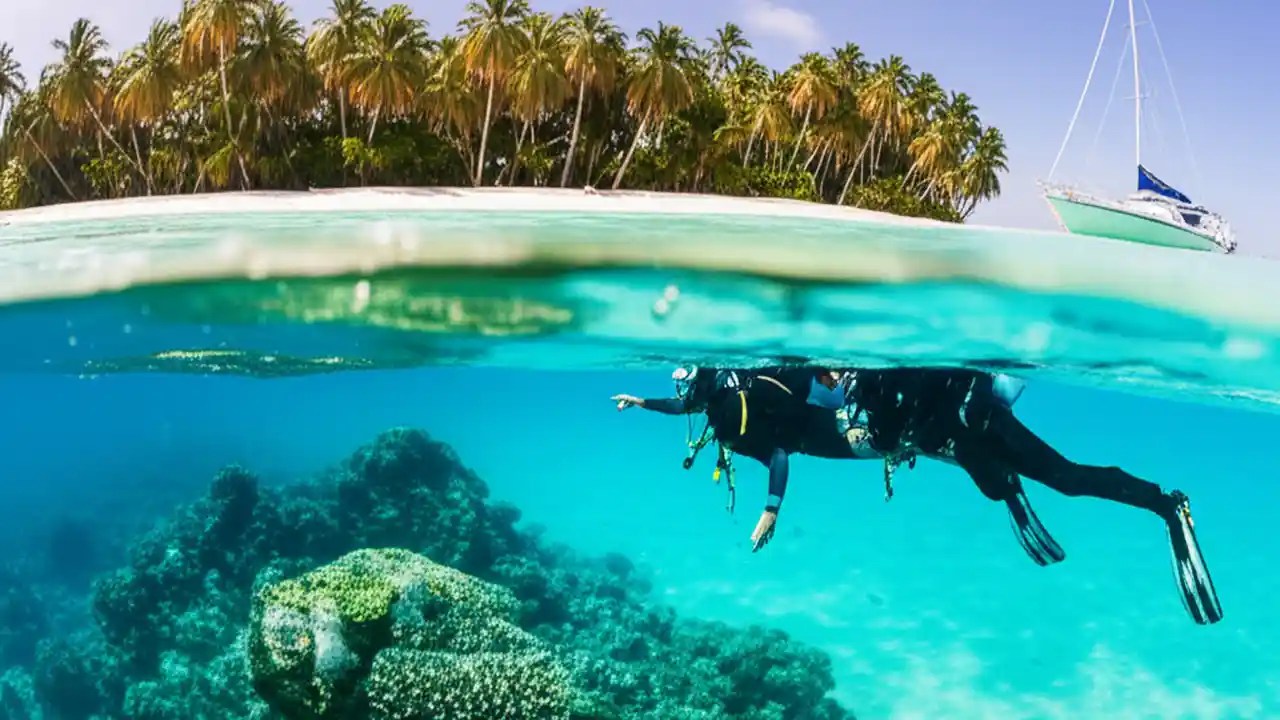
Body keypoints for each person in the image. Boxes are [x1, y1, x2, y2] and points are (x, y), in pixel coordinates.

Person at [616, 364, 1223, 626]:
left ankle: (1167, 505)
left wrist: (772, 508)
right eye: (831, 377)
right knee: (985, 476)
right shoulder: (845, 392)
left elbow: (797, 436)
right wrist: (644, 402)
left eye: (836, 375)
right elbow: (722, 405)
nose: (834, 381)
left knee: (1062, 477)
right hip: (956, 436)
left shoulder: (884, 375)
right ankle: (1011, 496)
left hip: (977, 419)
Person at [612, 365, 845, 551]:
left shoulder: (738, 408)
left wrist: (771, 510)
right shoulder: (715, 396)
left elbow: (778, 455)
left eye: (691, 386)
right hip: (797, 407)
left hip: (810, 423)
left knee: (838, 396)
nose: (687, 395)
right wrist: (640, 402)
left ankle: (841, 379)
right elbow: (681, 405)